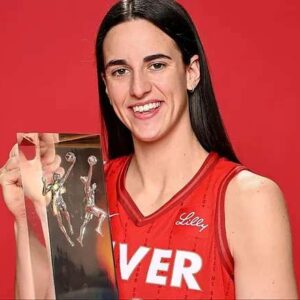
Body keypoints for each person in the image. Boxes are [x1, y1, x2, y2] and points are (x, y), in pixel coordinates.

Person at [0, 0, 298, 299]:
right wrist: (28, 217)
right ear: (106, 85)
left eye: (156, 65)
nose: (138, 88)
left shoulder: (248, 199)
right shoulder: (86, 192)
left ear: (191, 71)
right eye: (120, 71)